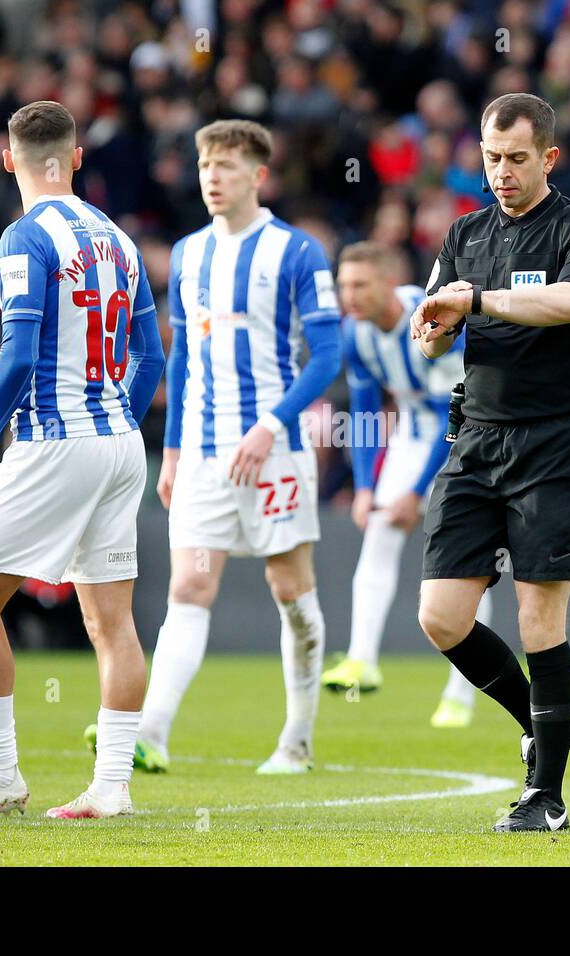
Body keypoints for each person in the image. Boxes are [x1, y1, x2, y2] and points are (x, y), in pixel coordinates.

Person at [0, 100, 164, 821]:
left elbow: (20, 349)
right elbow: (149, 355)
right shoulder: (119, 238)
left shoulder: (26, 237)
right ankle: (111, 789)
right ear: (78, 157)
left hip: (57, 441)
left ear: (7, 159)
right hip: (121, 443)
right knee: (112, 622)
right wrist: (117, 409)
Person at [410, 93, 570, 832]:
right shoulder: (463, 234)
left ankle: (546, 796)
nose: (502, 172)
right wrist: (431, 328)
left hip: (551, 444)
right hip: (476, 442)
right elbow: (432, 327)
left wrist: (477, 303)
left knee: (539, 616)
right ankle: (537, 722)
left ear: (548, 158)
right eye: (492, 158)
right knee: (440, 617)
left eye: (517, 159)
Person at [127, 119, 341, 776]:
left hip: (272, 449)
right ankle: (152, 733)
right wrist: (173, 453)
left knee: (290, 592)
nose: (212, 179)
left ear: (258, 175)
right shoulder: (189, 254)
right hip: (204, 451)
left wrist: (271, 425)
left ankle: (297, 740)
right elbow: (184, 355)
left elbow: (328, 354)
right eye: (205, 167)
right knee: (190, 587)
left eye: (225, 166)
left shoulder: (298, 251)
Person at [319, 241, 492, 728]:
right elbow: (367, 410)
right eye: (343, 285)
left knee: (466, 567)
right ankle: (361, 661)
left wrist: (415, 494)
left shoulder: (433, 317)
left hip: (467, 441)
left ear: (389, 283)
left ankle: (462, 694)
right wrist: (367, 485)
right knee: (378, 534)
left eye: (359, 285)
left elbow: (448, 414)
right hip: (415, 437)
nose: (348, 296)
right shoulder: (355, 332)